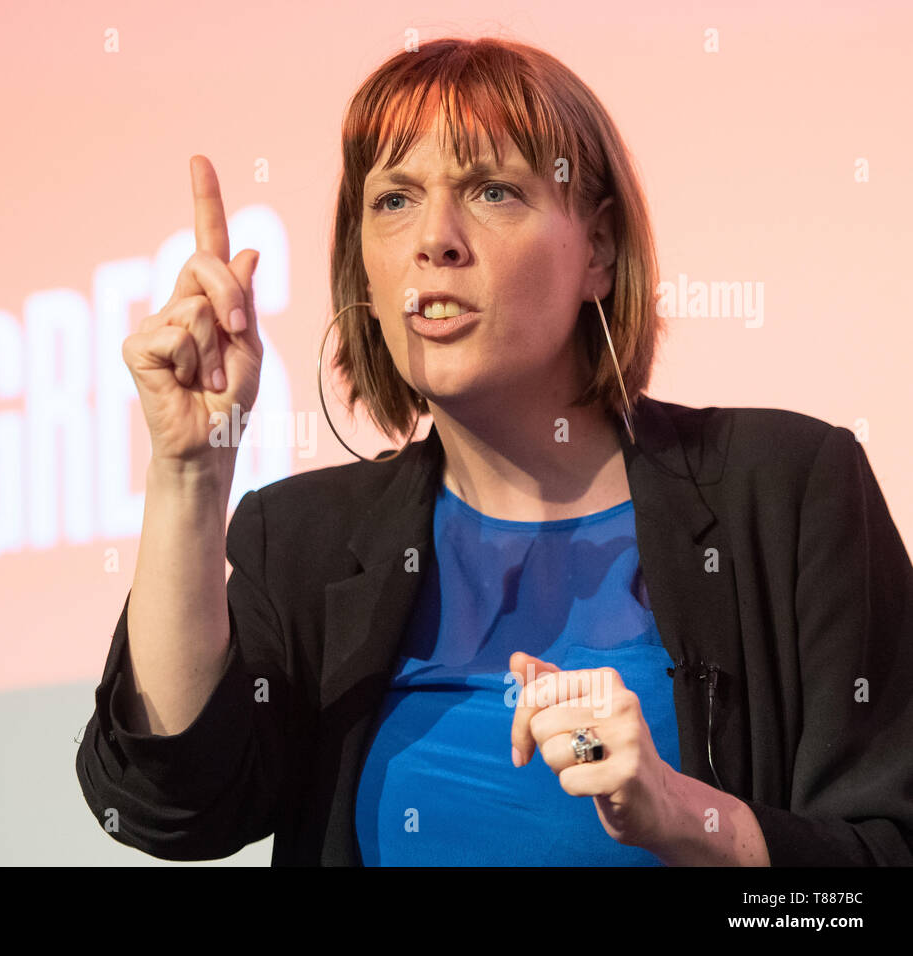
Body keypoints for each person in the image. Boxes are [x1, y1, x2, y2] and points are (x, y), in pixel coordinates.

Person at [74, 36, 913, 865]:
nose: (435, 239)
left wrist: (682, 813)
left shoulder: (791, 491)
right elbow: (168, 806)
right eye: (395, 199)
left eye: (492, 192)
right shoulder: (302, 543)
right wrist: (189, 473)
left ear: (601, 250)